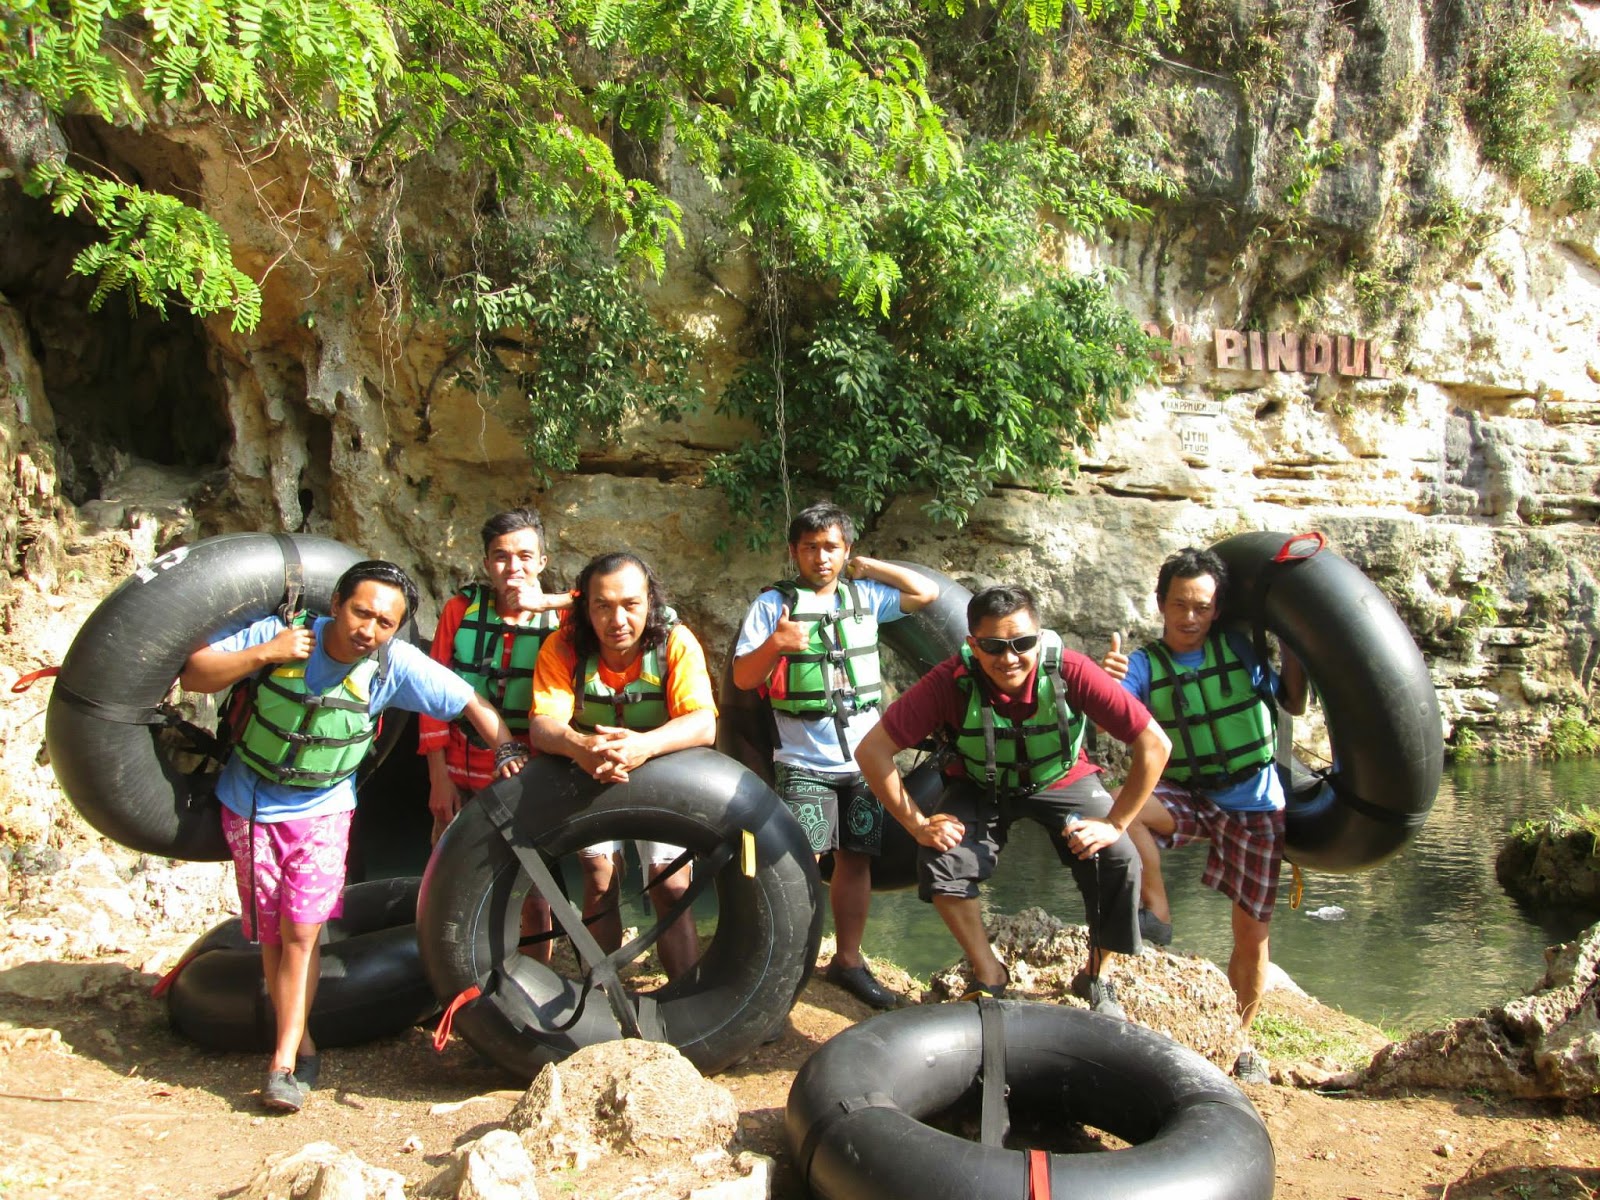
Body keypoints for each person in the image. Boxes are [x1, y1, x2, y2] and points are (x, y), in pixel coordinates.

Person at [180, 560, 525, 1114]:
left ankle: (283, 1063)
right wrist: (263, 657)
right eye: (361, 612)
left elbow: (469, 701)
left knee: (301, 932)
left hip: (324, 810)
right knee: (273, 935)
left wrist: (506, 749)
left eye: (384, 622)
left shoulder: (392, 665)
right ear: (337, 602)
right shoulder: (280, 634)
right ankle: (303, 1043)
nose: (369, 629)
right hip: (249, 803)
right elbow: (195, 673)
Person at [854, 584, 1170, 1017]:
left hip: (1059, 777)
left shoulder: (1070, 670)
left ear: (1038, 638)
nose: (1009, 658)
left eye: (1021, 644)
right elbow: (871, 751)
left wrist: (1115, 823)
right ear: (973, 645)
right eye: (994, 646)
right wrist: (917, 824)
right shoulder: (949, 682)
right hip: (980, 783)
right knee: (940, 860)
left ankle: (1097, 975)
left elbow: (1154, 744)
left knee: (1116, 857)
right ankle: (989, 973)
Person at [1100, 546, 1308, 1084]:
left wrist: (1297, 647)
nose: (1189, 618)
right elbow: (1113, 721)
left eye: (1200, 606)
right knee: (1119, 807)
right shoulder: (1145, 663)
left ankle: (1241, 1042)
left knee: (1252, 935)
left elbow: (1295, 702)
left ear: (1217, 609)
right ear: (1161, 604)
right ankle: (1158, 906)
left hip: (1253, 800)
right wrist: (1107, 681)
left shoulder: (1239, 651)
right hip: (1188, 794)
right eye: (1178, 605)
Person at [731, 502, 937, 1009]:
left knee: (857, 858)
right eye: (809, 548)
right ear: (793, 552)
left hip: (865, 762)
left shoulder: (864, 596)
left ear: (845, 550)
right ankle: (784, 969)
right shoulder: (772, 607)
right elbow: (742, 678)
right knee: (801, 861)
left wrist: (870, 567)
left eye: (831, 547)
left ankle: (848, 960)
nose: (820, 558)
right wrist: (776, 644)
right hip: (802, 762)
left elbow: (926, 592)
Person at [528, 552, 716, 980]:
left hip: (664, 770)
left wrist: (645, 745)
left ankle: (686, 995)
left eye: (630, 604)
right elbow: (542, 726)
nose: (618, 619)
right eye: (603, 605)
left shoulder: (675, 642)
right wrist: (579, 744)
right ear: (585, 607)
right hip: (590, 773)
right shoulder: (563, 646)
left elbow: (704, 722)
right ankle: (600, 991)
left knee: (670, 886)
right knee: (598, 882)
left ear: (649, 603)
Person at [417, 508, 571, 962]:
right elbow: (433, 698)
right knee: (454, 874)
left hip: (531, 775)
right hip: (462, 771)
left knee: (533, 884)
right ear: (486, 563)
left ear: (543, 561)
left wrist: (552, 602)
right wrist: (438, 779)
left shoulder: (564, 622)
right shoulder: (460, 610)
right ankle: (462, 968)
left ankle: (531, 977)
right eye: (501, 557)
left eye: (526, 556)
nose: (514, 568)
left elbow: (620, 596)